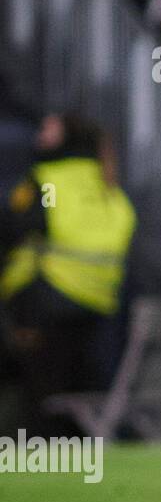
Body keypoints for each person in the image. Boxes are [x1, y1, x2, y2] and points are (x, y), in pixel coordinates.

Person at [0, 115, 136, 429]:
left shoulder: (46, 179)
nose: (39, 134)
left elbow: (16, 227)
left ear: (66, 135)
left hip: (47, 298)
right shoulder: (106, 184)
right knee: (72, 381)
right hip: (97, 303)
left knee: (39, 384)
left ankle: (33, 441)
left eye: (48, 128)